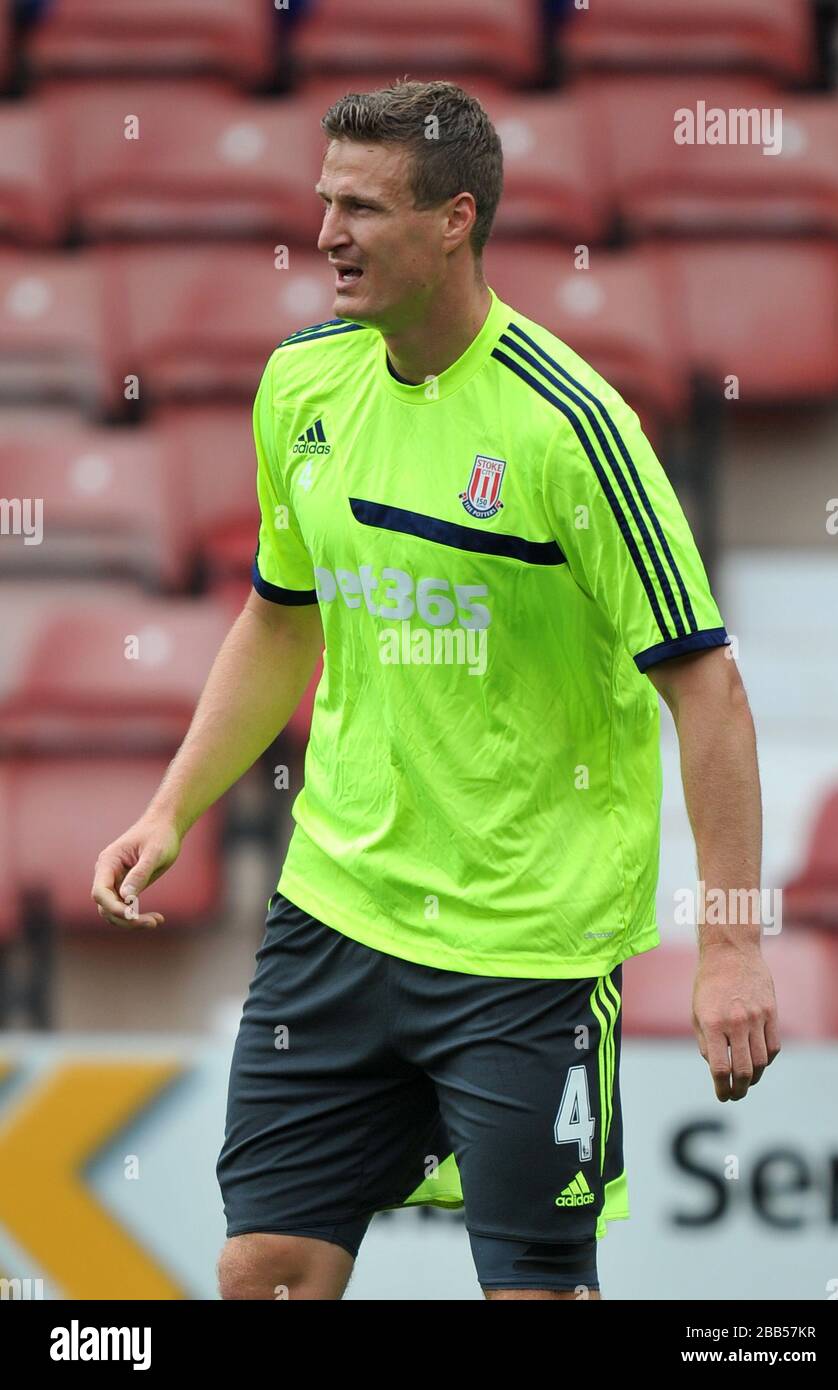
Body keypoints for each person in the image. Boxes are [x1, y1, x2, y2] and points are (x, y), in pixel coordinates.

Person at [92, 79, 781, 1301]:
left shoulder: (572, 429)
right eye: (323, 202)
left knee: (533, 1291)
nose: (327, 235)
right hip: (337, 913)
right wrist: (172, 807)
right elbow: (276, 617)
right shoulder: (302, 386)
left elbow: (706, 687)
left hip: (528, 947)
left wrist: (727, 941)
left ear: (455, 219)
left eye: (362, 207)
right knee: (264, 1271)